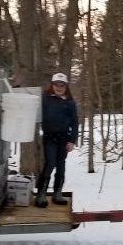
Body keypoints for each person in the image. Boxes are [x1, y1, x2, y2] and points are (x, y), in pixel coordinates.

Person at [35, 73, 78, 208]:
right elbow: (28, 100)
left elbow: (75, 123)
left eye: (62, 85)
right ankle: (41, 194)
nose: (59, 88)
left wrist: (72, 140)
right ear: (52, 85)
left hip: (64, 139)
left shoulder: (70, 102)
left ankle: (57, 193)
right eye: (56, 85)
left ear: (66, 87)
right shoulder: (44, 98)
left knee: (61, 165)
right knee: (50, 163)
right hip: (49, 137)